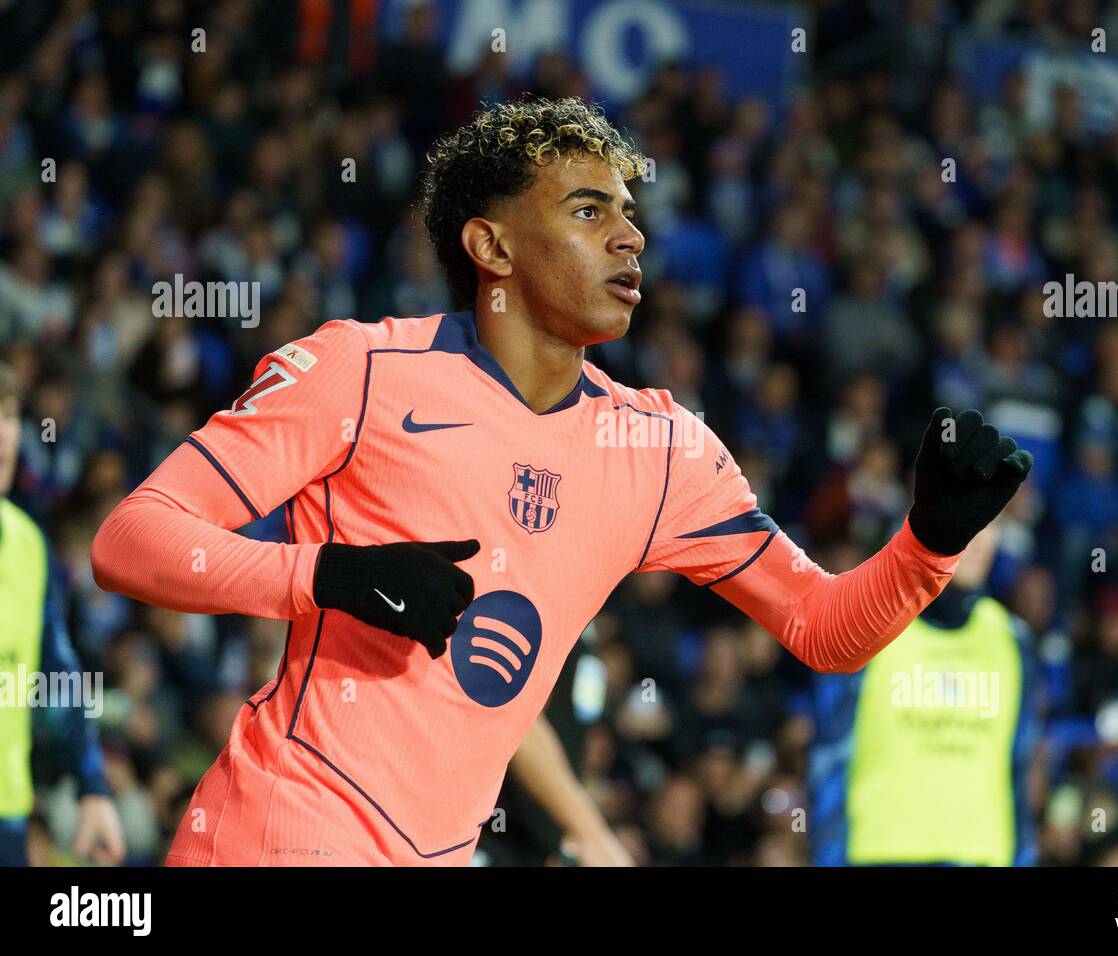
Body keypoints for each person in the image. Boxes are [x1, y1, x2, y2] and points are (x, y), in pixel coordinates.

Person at [90, 97, 1031, 866]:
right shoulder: (361, 371)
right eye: (588, 211)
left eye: (629, 212)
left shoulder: (660, 450)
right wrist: (326, 575)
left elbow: (824, 629)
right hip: (278, 831)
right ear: (492, 248)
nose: (630, 237)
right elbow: (131, 539)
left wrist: (928, 544)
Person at [808, 523, 1042, 866]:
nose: (978, 536)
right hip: (880, 856)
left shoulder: (1014, 641)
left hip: (983, 857)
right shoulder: (867, 624)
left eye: (991, 521)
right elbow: (830, 759)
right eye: (968, 513)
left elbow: (1019, 768)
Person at [0, 360, 124, 867]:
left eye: (9, 414)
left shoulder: (29, 545)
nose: (2, 433)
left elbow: (59, 674)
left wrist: (92, 785)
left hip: (7, 815)